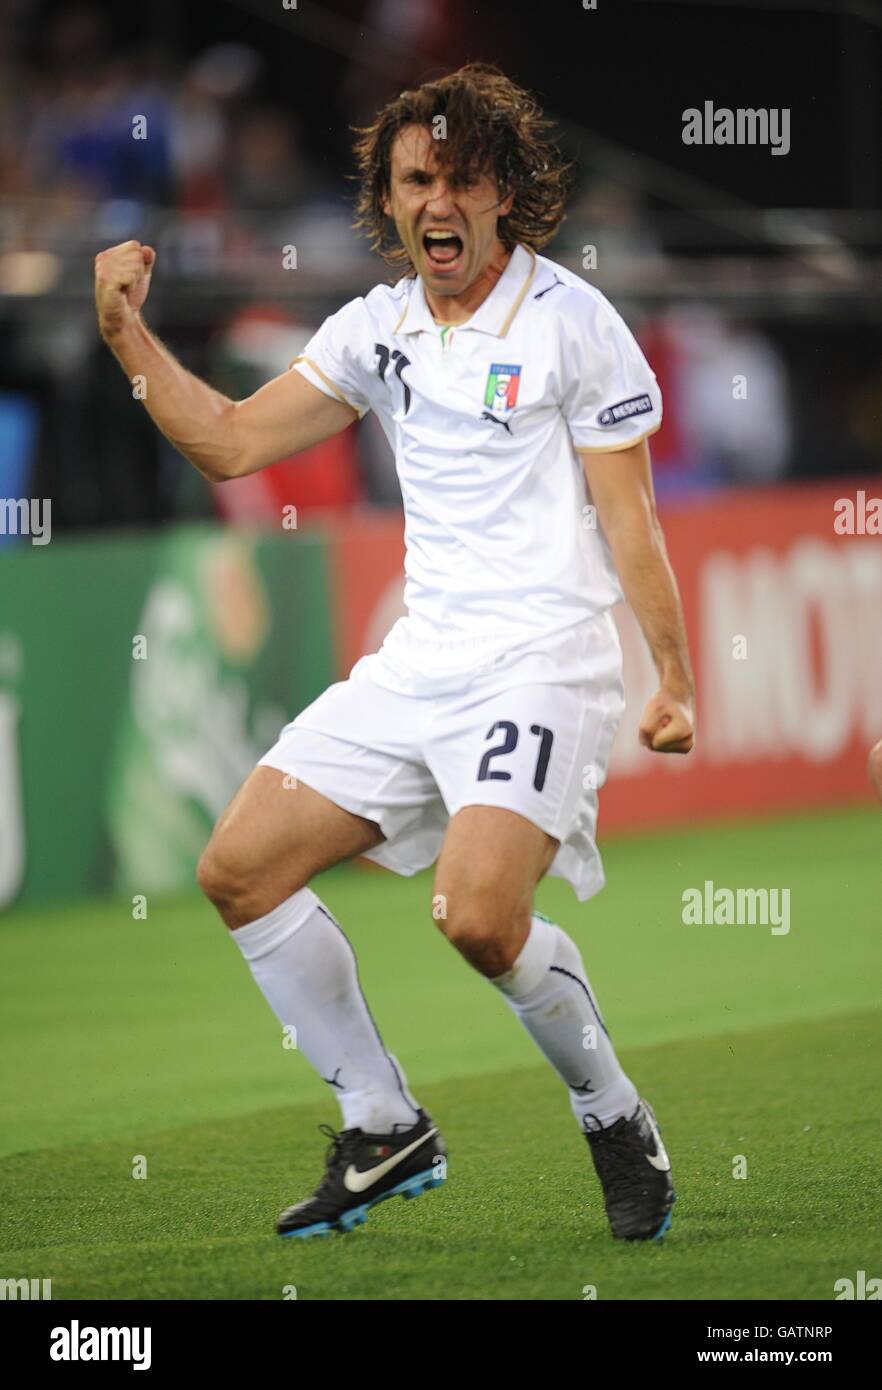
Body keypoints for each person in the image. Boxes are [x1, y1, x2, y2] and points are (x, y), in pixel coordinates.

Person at [95, 63, 695, 1243]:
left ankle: (612, 1110)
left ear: (504, 197)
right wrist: (127, 333)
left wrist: (674, 676)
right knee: (239, 868)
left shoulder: (573, 322)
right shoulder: (377, 331)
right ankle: (381, 1122)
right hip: (421, 662)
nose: (437, 200)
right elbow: (225, 443)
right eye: (416, 177)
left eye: (462, 178)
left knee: (476, 917)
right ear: (391, 197)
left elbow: (631, 520)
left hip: (543, 659)